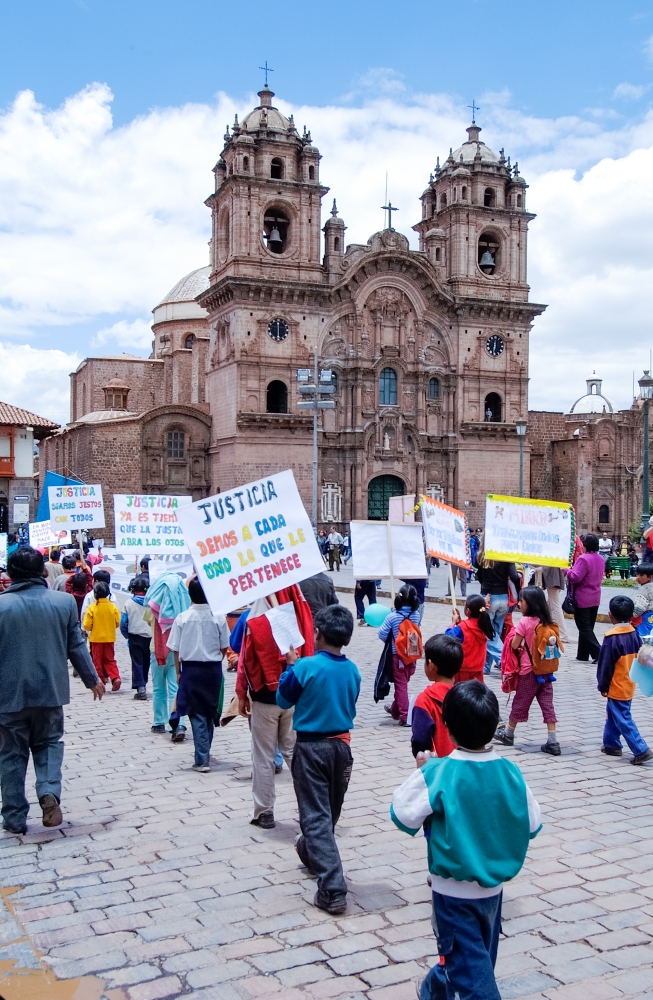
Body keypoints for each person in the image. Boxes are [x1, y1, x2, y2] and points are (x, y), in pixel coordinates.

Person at [391, 682, 541, 1000]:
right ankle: (435, 988)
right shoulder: (511, 772)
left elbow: (402, 813)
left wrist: (423, 771)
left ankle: (435, 988)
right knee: (476, 963)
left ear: (447, 725)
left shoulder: (440, 772)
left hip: (452, 891)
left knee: (473, 974)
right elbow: (533, 823)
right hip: (494, 890)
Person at [0, 546, 104, 834]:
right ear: (42, 572)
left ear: (10, 573)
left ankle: (14, 817)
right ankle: (48, 790)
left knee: (11, 754)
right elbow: (76, 646)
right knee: (48, 744)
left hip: (8, 697)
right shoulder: (63, 603)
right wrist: (91, 679)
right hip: (50, 691)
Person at [277, 605, 360, 915]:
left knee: (315, 817)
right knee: (329, 811)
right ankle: (311, 851)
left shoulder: (306, 667)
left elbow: (283, 699)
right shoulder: (352, 669)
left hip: (312, 748)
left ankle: (333, 889)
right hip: (341, 747)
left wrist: (289, 667)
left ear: (317, 634)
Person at [236, 585, 315, 828]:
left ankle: (264, 812)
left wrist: (241, 693)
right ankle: (311, 808)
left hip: (264, 697)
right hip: (293, 695)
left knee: (263, 755)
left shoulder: (255, 619)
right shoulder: (299, 611)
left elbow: (243, 658)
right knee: (293, 753)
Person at [166, 577, 230, 772]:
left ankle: (202, 758)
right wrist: (217, 659)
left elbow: (175, 649)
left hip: (191, 670)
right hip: (212, 670)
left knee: (196, 712)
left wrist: (178, 670)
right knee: (210, 711)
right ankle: (204, 752)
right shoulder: (218, 617)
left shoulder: (182, 618)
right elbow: (224, 646)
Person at [495, 586, 561, 756]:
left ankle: (508, 734)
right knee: (547, 704)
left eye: (522, 601)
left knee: (520, 702)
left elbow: (515, 645)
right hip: (546, 671)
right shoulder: (546, 621)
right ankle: (552, 740)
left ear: (529, 603)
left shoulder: (524, 622)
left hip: (528, 671)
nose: (519, 603)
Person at [597, 595, 653, 765]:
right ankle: (611, 744)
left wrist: (603, 686)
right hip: (630, 682)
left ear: (610, 615)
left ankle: (641, 749)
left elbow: (605, 666)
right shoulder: (634, 633)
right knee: (614, 714)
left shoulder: (611, 638)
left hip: (616, 684)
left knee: (622, 717)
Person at [411, 634, 463, 761]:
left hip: (437, 768)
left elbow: (420, 739)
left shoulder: (425, 700)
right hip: (465, 766)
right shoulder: (465, 695)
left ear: (431, 665)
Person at [378, 584, 422, 726]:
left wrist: (392, 641)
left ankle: (405, 715)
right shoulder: (416, 615)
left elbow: (382, 634)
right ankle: (395, 710)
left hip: (398, 656)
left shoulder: (392, 616)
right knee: (403, 683)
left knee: (401, 685)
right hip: (412, 653)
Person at [476, 543, 521, 672]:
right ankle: (486, 666)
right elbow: (513, 576)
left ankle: (503, 658)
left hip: (489, 596)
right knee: (495, 631)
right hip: (504, 598)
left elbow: (479, 577)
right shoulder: (505, 556)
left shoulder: (480, 556)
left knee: (488, 633)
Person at [565, 532, 605, 662]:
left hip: (583, 597)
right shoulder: (600, 558)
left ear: (584, 544)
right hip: (595, 596)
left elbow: (575, 577)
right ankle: (582, 654)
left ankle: (598, 652)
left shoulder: (583, 559)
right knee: (589, 626)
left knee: (583, 626)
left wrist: (565, 570)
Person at [445, 594, 494, 684]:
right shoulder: (484, 625)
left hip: (463, 671)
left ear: (467, 611)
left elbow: (448, 637)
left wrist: (452, 623)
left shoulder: (463, 627)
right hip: (478, 670)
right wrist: (459, 622)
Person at [82, 582, 122, 691]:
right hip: (110, 638)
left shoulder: (92, 608)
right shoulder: (113, 607)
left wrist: (90, 629)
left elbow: (86, 625)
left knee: (97, 661)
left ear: (95, 595)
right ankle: (115, 677)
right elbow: (117, 622)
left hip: (96, 639)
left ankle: (101, 681)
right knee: (110, 660)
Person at [120, 575, 152, 701]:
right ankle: (143, 682)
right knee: (146, 662)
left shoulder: (128, 603)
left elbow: (123, 623)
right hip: (149, 637)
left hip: (134, 637)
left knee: (137, 662)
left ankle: (141, 687)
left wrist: (127, 636)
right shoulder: (151, 603)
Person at [542, 566, 569, 643]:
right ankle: (551, 630)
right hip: (555, 574)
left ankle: (562, 634)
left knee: (554, 604)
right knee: (551, 603)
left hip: (553, 575)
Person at [633, 564, 653, 636]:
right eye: (637, 574)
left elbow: (639, 609)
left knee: (644, 640)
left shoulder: (643, 589)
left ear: (650, 577)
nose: (638, 577)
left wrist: (631, 615)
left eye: (641, 575)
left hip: (644, 620)